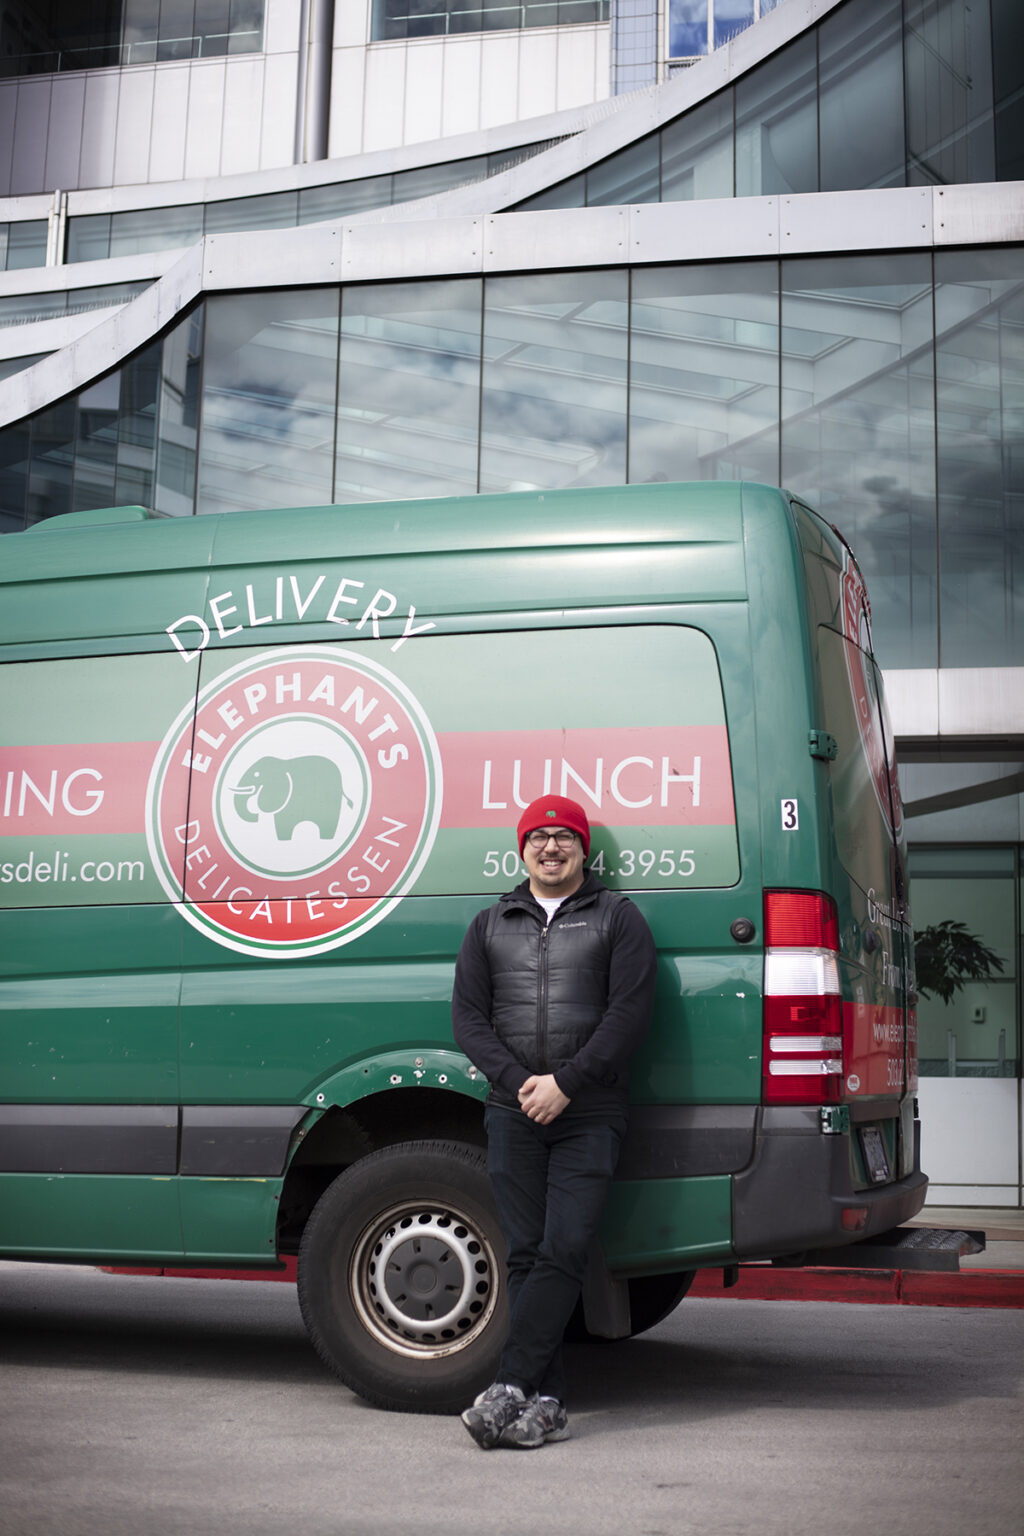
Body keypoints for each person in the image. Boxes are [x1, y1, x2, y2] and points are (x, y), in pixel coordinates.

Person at [451, 794, 657, 1449]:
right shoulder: (489, 924)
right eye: (537, 837)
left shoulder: (618, 918)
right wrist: (521, 1086)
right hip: (513, 1112)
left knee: (566, 1246)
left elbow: (628, 1015)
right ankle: (548, 1402)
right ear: (521, 850)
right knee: (526, 1254)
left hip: (589, 1111)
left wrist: (567, 1084)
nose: (550, 847)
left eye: (563, 836)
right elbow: (469, 1021)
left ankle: (510, 1384)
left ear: (583, 848)